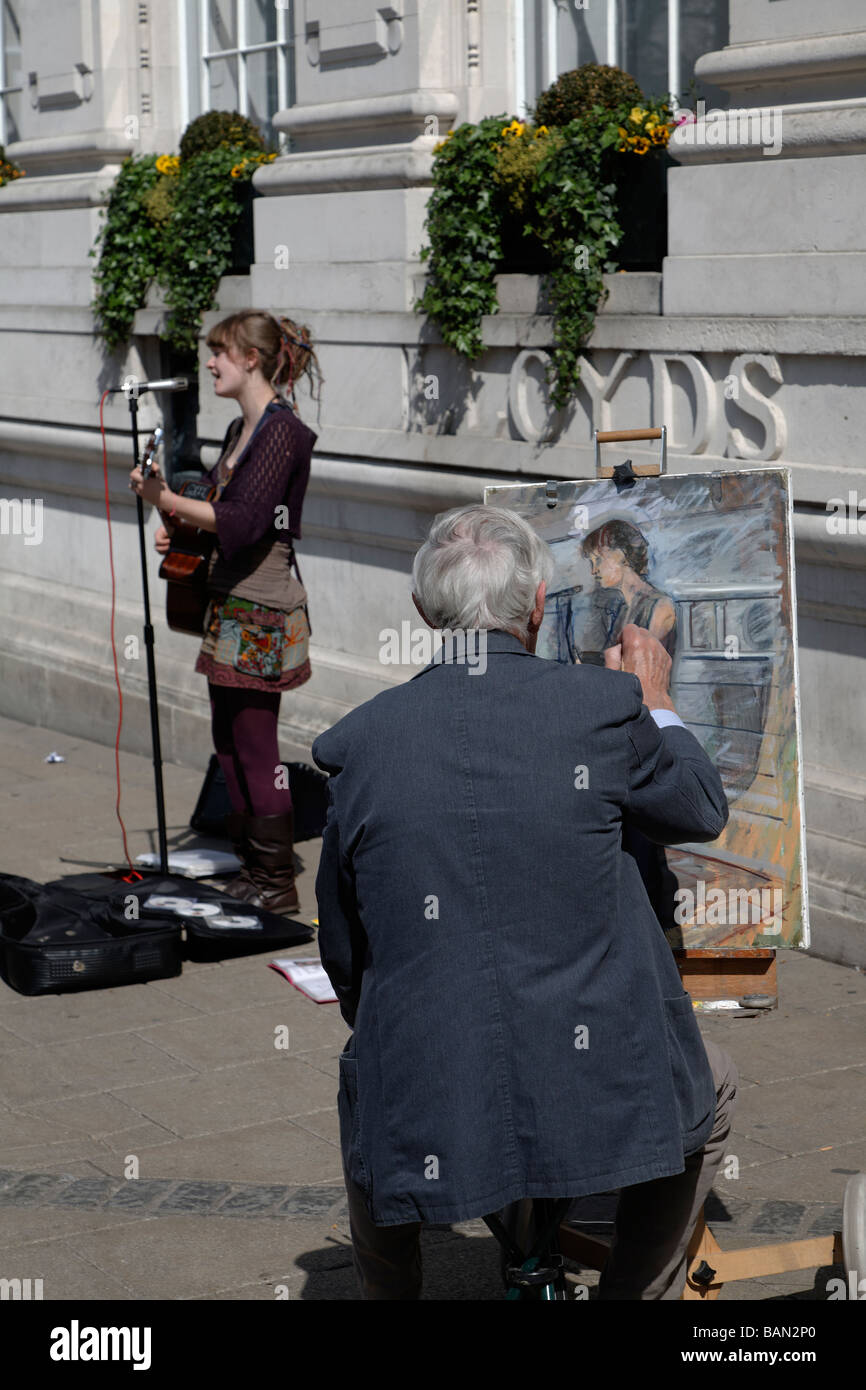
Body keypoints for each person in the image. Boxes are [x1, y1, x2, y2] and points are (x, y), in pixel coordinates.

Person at [312, 503, 737, 1299]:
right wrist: (654, 699)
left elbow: (345, 952)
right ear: (538, 604)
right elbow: (700, 807)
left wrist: (391, 1026)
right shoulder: (601, 708)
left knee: (369, 1075)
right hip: (599, 1060)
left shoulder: (361, 744)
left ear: (423, 612)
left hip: (433, 1067)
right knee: (708, 1088)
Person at [130, 309, 322, 914]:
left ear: (251, 359)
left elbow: (243, 522)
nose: (210, 362)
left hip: (261, 609)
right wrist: (175, 521)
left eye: (220, 351)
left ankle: (275, 883)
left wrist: (167, 500)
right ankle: (252, 869)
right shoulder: (244, 430)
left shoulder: (282, 432)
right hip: (230, 604)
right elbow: (217, 507)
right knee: (228, 738)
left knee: (255, 741)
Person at [580, 518, 677, 657]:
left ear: (622, 555)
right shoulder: (623, 608)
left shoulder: (660, 606)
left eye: (598, 560)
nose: (593, 571)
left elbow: (643, 665)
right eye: (592, 563)